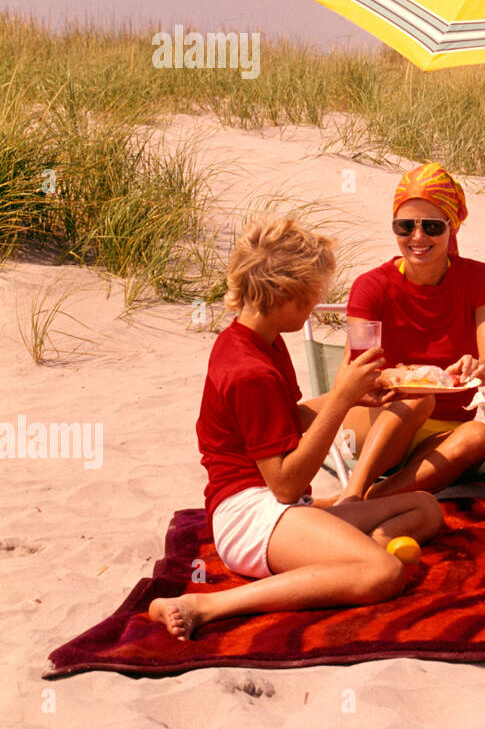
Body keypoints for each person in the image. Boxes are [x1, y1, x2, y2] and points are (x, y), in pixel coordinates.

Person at [148, 216, 442, 641]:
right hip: (251, 516)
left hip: (284, 508)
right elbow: (285, 484)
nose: (313, 307)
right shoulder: (248, 370)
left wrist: (358, 394)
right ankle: (206, 605)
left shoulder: (259, 339)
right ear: (284, 294)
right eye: (309, 299)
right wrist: (340, 398)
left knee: (425, 509)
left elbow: (288, 420)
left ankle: (337, 562)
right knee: (385, 574)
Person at [336, 163, 485, 499]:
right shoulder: (370, 287)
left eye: (431, 226)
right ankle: (354, 493)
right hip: (378, 418)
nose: (417, 237)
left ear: (451, 227)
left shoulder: (482, 279)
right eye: (404, 226)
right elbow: (356, 369)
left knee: (479, 437)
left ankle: (363, 501)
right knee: (416, 401)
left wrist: (476, 367)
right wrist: (404, 380)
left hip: (444, 432)